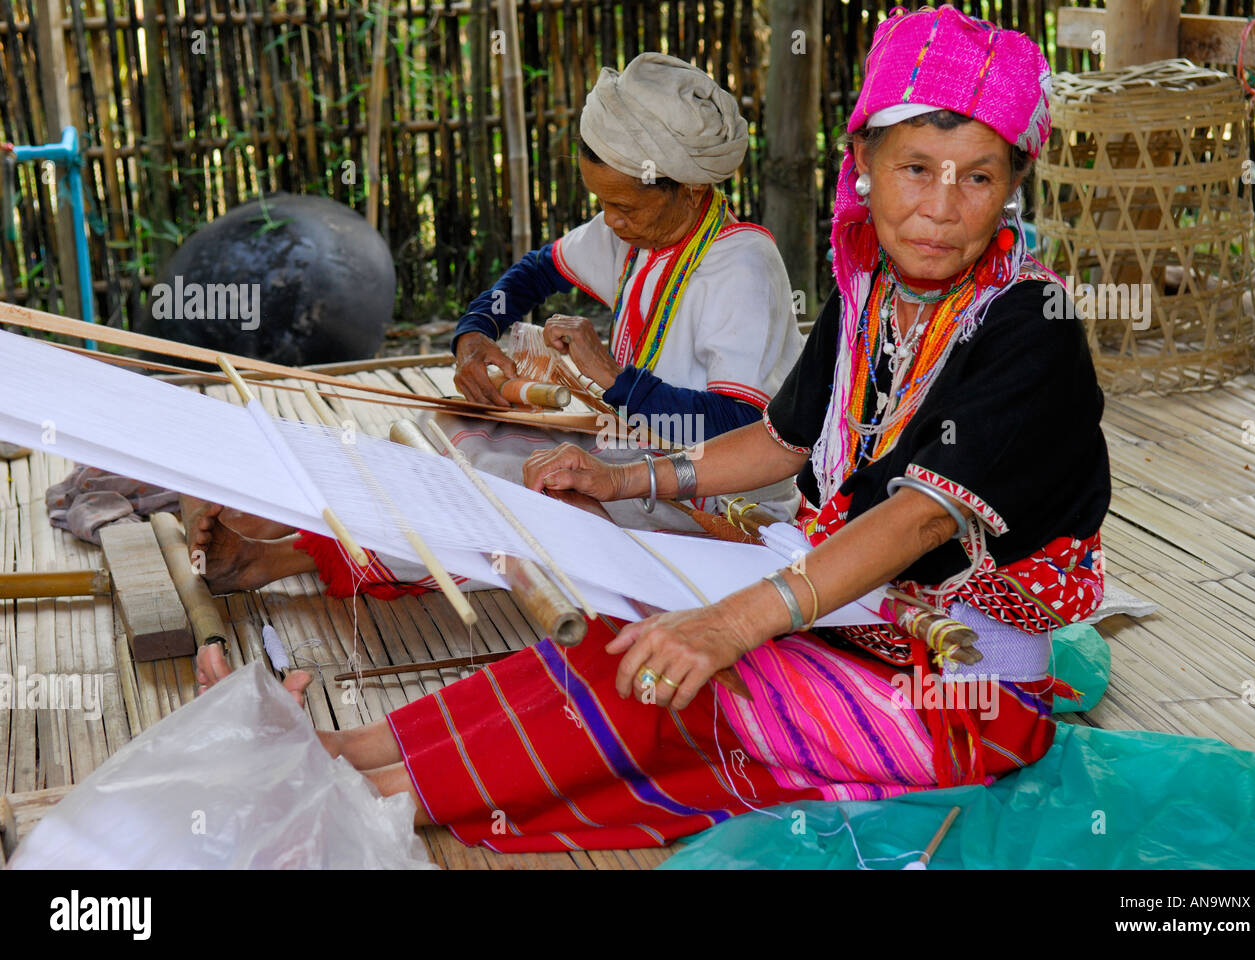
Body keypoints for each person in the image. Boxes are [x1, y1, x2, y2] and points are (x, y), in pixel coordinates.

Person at [214, 5, 1111, 853]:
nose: (942, 208)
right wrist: (625, 480)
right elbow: (786, 441)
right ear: (866, 165)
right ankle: (350, 752)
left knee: (669, 670)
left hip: (961, 698)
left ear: (1012, 187)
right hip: (852, 629)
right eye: (917, 167)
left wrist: (731, 624)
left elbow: (920, 518)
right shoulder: (869, 290)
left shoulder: (1033, 324)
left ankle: (369, 798)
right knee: (631, 631)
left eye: (978, 177)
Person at [185, 51, 803, 600]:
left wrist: (613, 377)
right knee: (455, 426)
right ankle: (301, 517)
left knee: (507, 488)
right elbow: (534, 273)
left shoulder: (740, 267)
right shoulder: (642, 232)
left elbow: (748, 431)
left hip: (716, 503)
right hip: (634, 445)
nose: (609, 223)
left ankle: (276, 557)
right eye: (602, 204)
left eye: (623, 206)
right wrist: (475, 332)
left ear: (690, 194)